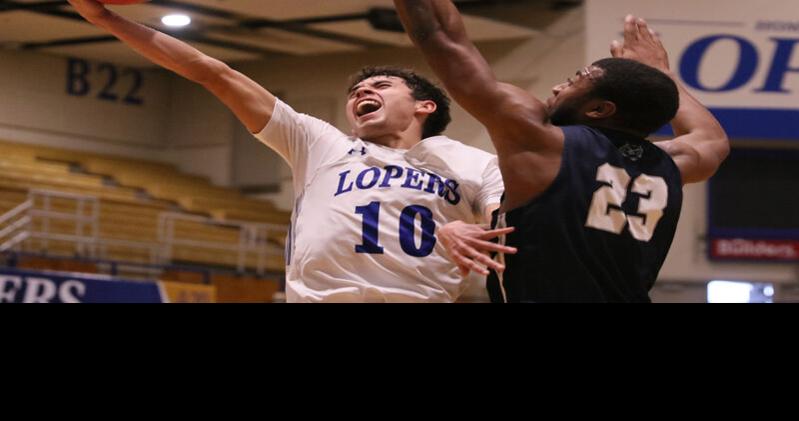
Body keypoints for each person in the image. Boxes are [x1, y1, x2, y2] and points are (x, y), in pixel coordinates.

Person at [67, 0, 514, 302]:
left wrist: (470, 230)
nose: (362, 92)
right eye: (356, 91)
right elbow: (212, 72)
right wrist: (105, 19)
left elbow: (514, 233)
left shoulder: (474, 163)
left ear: (424, 106)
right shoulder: (321, 143)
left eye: (380, 85)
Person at [394, 1, 729, 302]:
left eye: (574, 81)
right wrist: (662, 74)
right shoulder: (670, 164)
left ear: (599, 109)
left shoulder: (543, 142)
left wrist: (658, 74)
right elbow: (712, 140)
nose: (558, 86)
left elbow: (440, 36)